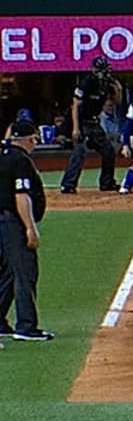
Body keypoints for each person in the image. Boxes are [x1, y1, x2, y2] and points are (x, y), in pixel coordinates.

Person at [0, 120, 50, 342]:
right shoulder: (20, 160)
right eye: (34, 139)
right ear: (29, 139)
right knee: (24, 271)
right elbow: (21, 196)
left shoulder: (3, 155)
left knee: (9, 272)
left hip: (2, 221)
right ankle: (26, 326)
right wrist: (30, 227)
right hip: (12, 221)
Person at [58, 56, 120, 194]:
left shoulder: (106, 84)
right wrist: (75, 128)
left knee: (108, 150)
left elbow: (117, 101)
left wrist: (117, 87)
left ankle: (107, 182)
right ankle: (68, 184)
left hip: (94, 122)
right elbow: (75, 105)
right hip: (82, 121)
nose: (103, 73)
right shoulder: (87, 82)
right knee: (79, 152)